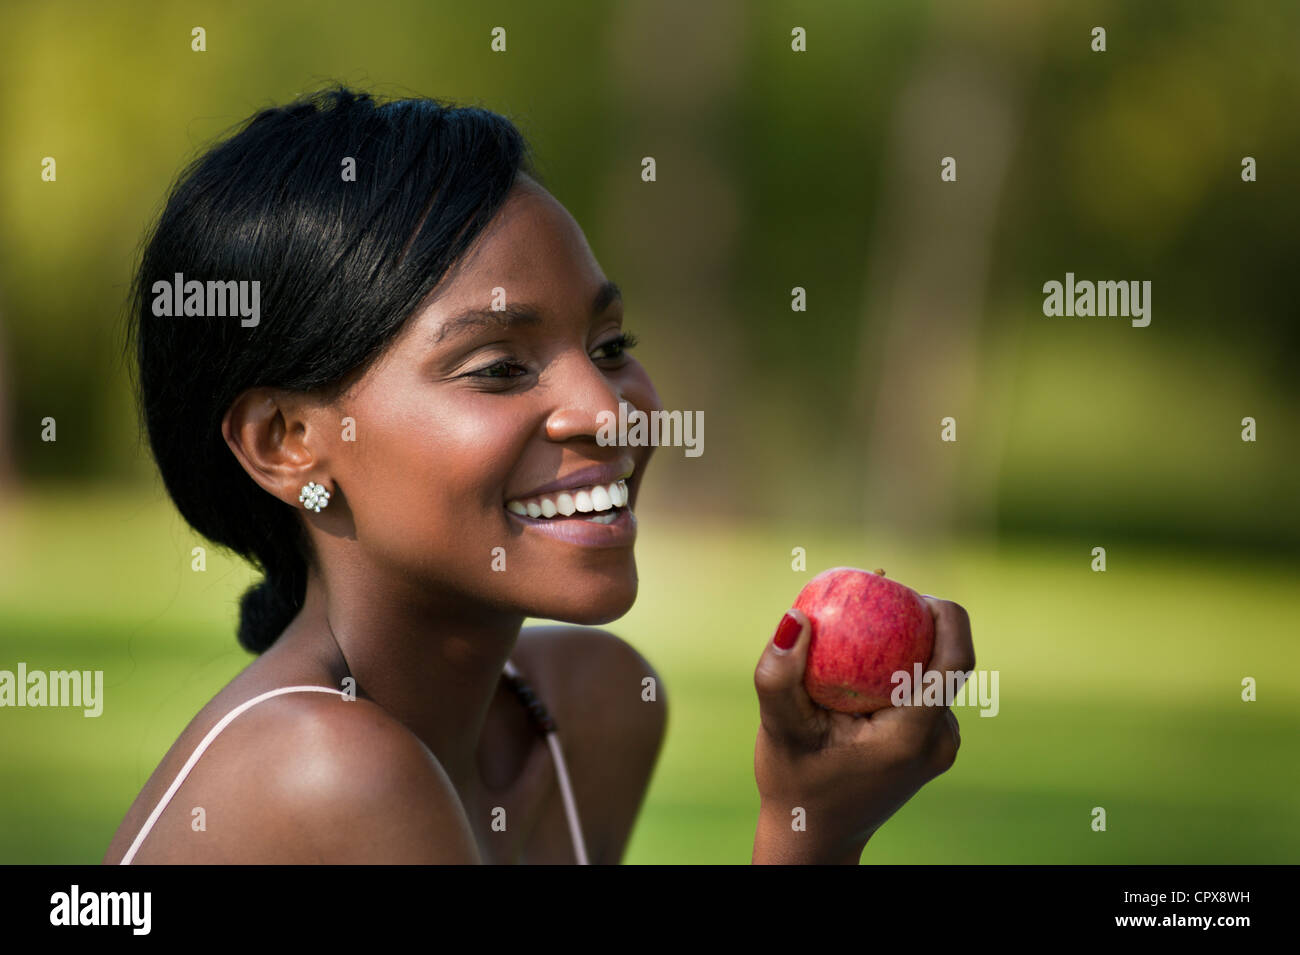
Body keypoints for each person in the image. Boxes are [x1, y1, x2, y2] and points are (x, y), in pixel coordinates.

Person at [103, 87, 973, 865]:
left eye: (610, 348)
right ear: (286, 440)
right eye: (498, 367)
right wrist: (809, 830)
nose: (610, 409)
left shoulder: (589, 712)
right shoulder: (328, 770)